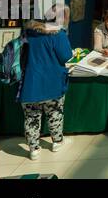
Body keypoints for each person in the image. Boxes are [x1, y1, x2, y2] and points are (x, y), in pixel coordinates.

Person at [19, 13, 73, 160]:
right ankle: (57, 142)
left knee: (31, 117)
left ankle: (34, 150)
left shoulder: (26, 33)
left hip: (30, 82)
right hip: (53, 82)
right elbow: (66, 56)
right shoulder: (58, 34)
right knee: (55, 112)